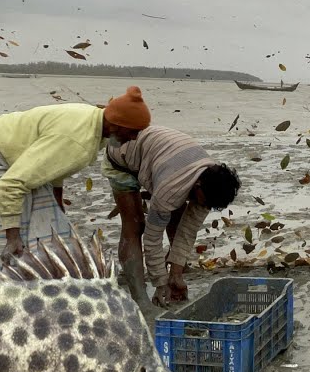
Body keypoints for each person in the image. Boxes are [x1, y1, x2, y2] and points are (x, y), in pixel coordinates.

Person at [0, 86, 152, 274]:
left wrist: (57, 200)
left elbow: (56, 164)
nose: (134, 138)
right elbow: (11, 183)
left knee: (51, 235)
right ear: (117, 125)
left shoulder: (97, 124)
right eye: (133, 132)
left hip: (19, 162)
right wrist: (12, 237)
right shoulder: (78, 140)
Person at [101, 125, 241, 307]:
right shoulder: (171, 190)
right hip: (122, 152)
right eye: (204, 202)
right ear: (198, 185)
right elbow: (152, 240)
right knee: (135, 225)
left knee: (177, 218)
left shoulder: (212, 184)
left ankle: (174, 275)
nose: (205, 207)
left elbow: (188, 231)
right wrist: (160, 284)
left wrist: (176, 275)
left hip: (161, 159)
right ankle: (139, 295)